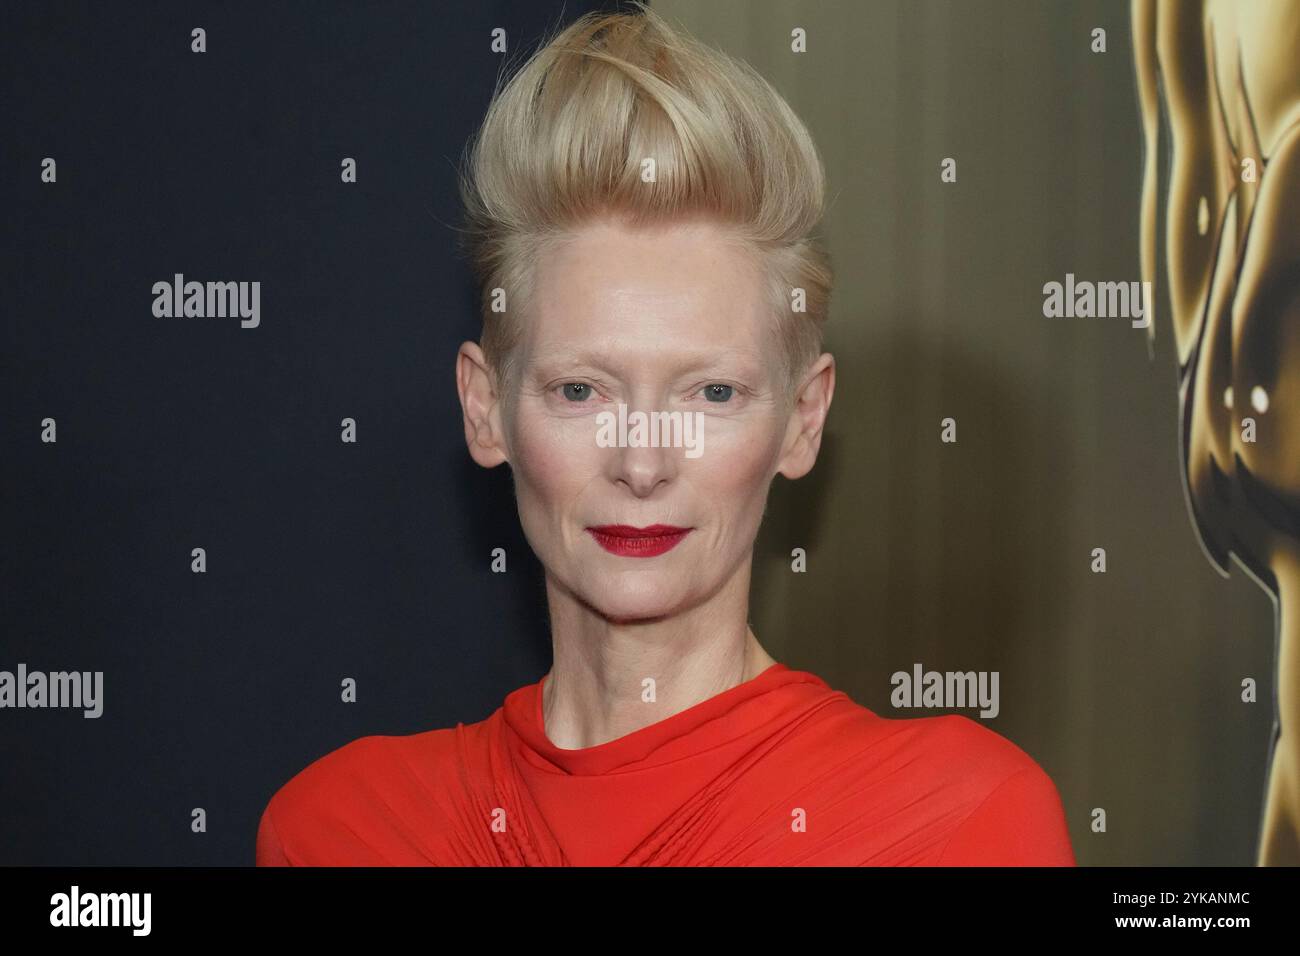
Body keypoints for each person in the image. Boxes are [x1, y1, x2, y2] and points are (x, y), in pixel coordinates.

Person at [256, 2, 1074, 866]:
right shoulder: (339, 830)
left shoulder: (955, 821)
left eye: (713, 392)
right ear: (484, 407)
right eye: (580, 389)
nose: (642, 462)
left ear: (803, 420)